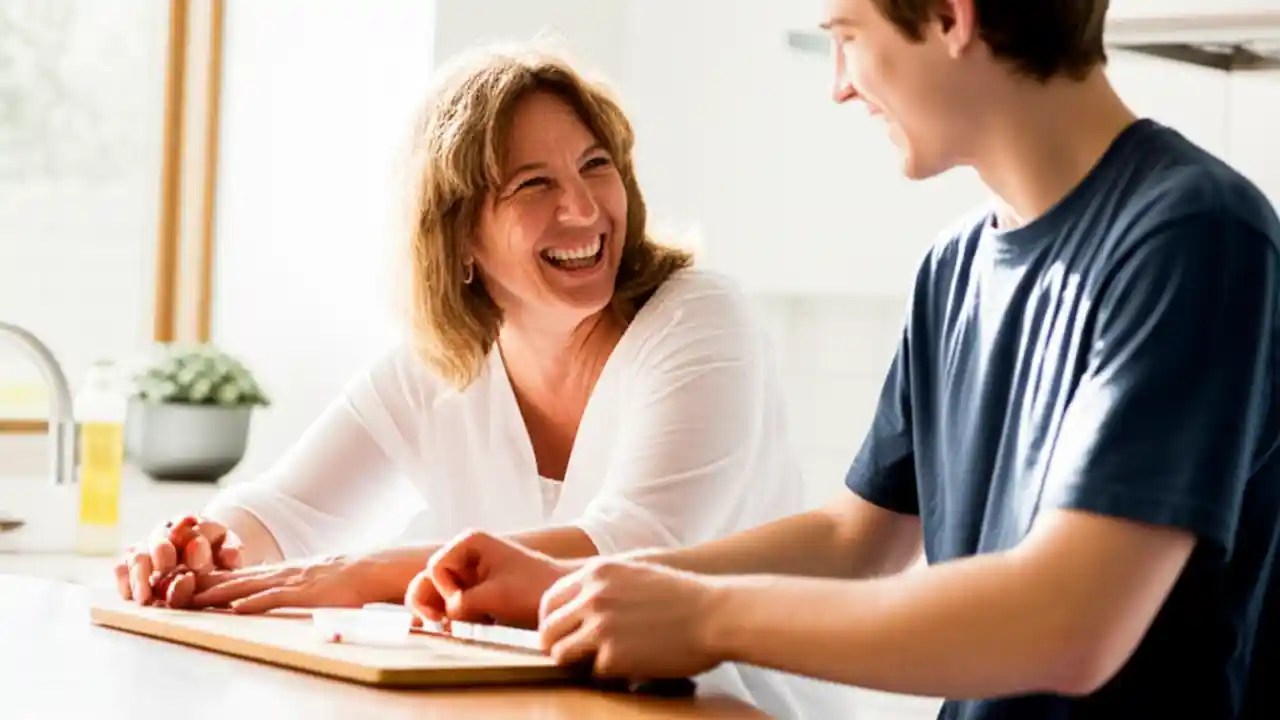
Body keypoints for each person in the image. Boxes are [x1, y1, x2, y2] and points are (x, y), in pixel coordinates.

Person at [406, 1, 1280, 717]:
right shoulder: (957, 267)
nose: (839, 87)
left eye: (847, 37)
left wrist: (704, 617)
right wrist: (585, 582)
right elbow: (855, 538)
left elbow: (1071, 623)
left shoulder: (1193, 237)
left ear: (950, 17)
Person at [112, 46, 856, 719]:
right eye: (535, 184)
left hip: (735, 707)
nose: (584, 209)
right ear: (461, 234)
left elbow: (635, 549)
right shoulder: (437, 366)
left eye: (596, 166)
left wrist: (365, 575)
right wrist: (202, 549)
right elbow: (285, 511)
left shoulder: (697, 317)